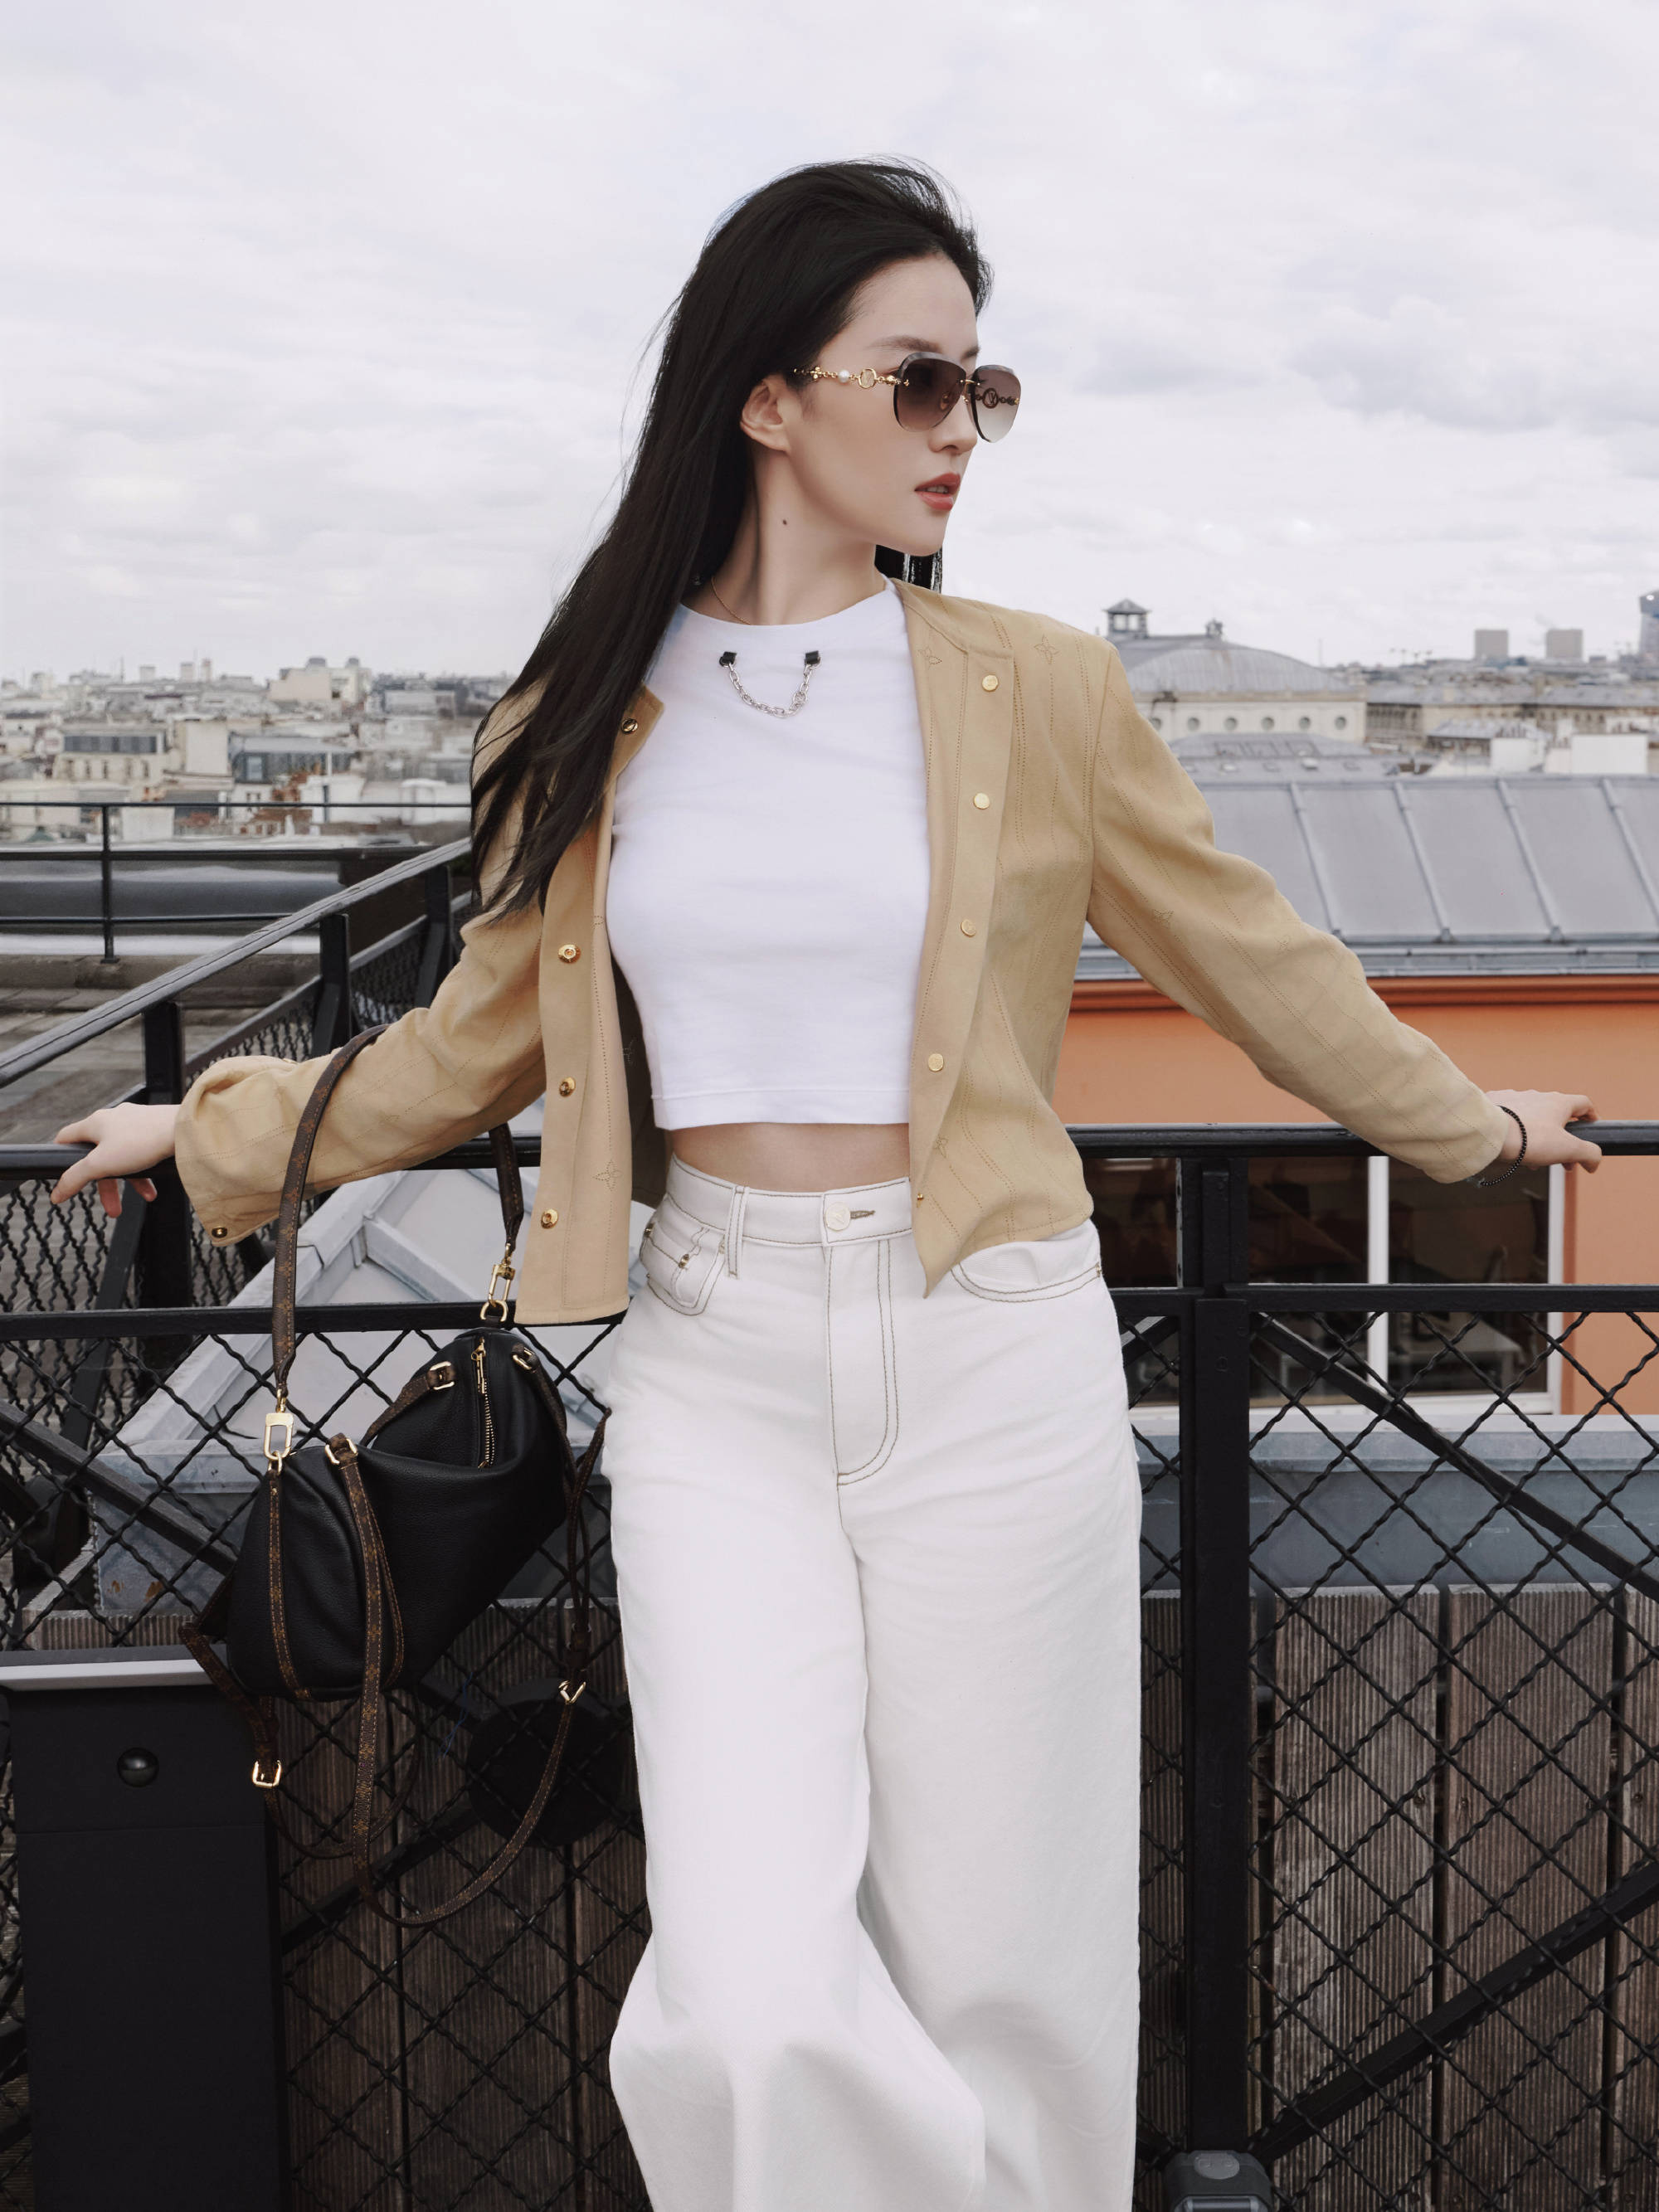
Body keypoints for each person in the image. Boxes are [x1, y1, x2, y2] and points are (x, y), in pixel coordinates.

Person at [51, 160, 1601, 2212]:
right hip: (717, 1363)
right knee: (752, 1985)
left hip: (992, 1347)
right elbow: (477, 1035)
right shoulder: (583, 715)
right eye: (922, 380)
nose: (964, 429)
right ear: (770, 398)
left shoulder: (1035, 688)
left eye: (986, 389)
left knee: (1009, 1974)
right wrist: (220, 1128)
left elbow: (1247, 953)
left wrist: (1462, 1125)